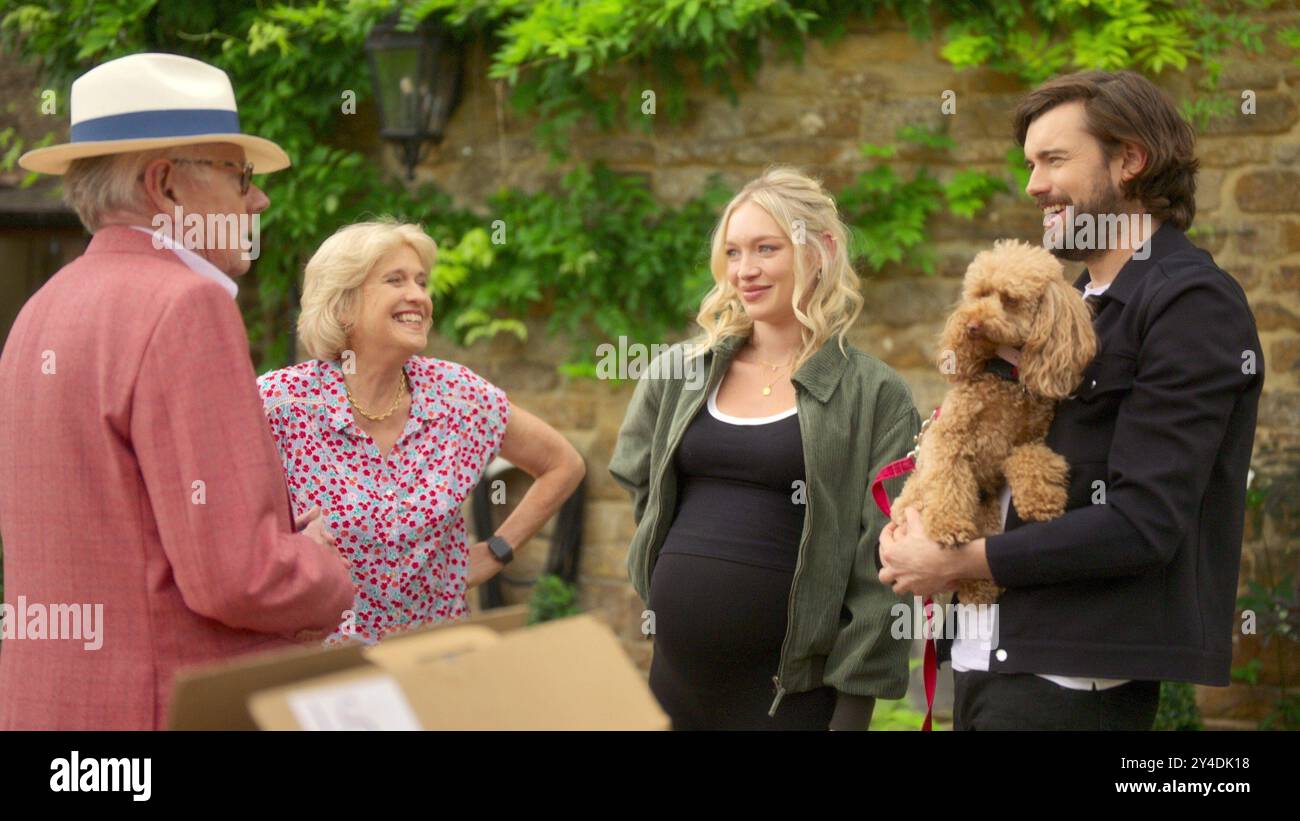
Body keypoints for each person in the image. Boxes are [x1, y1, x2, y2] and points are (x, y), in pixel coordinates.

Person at [878, 70, 1264, 730]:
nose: (1032, 185)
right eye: (1029, 164)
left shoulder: (1189, 303)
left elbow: (1146, 521)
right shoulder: (1065, 308)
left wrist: (959, 561)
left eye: (1053, 159)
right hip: (985, 660)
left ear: (1129, 160)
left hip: (1068, 683)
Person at [0, 53, 354, 730]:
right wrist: (322, 566)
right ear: (165, 186)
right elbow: (235, 574)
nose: (259, 199)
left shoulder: (42, 309)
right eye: (240, 175)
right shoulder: (186, 305)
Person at [609, 167, 920, 730]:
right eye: (732, 252)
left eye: (765, 249)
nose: (744, 271)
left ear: (820, 250)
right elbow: (645, 490)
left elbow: (883, 567)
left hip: (790, 698)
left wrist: (852, 711)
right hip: (674, 681)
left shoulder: (875, 395)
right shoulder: (678, 374)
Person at [258, 220, 586, 644]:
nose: (418, 296)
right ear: (342, 305)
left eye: (422, 282)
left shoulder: (457, 395)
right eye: (395, 280)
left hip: (434, 660)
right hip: (323, 665)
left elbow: (563, 464)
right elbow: (221, 521)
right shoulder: (281, 402)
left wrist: (495, 551)